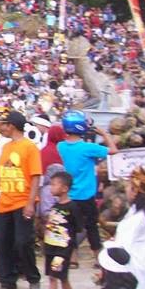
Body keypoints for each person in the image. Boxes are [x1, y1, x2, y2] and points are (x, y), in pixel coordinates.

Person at [0, 108, 43, 289]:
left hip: (22, 202)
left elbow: (35, 176)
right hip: (4, 202)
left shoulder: (30, 147)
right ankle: (7, 280)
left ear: (12, 126)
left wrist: (30, 203)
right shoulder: (6, 147)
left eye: (5, 124)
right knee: (2, 243)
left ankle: (33, 279)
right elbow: (0, 174)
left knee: (23, 242)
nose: (2, 128)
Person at [57, 110, 118, 258]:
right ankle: (97, 257)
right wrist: (104, 134)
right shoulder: (88, 147)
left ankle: (72, 258)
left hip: (68, 195)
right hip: (86, 195)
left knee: (69, 228)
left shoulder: (60, 146)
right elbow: (113, 150)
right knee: (91, 227)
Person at [32, 172, 81, 289]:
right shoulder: (55, 206)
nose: (51, 188)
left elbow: (78, 228)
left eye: (54, 185)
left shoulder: (72, 207)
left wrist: (70, 247)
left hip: (62, 250)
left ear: (65, 188)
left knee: (54, 278)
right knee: (62, 279)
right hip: (51, 248)